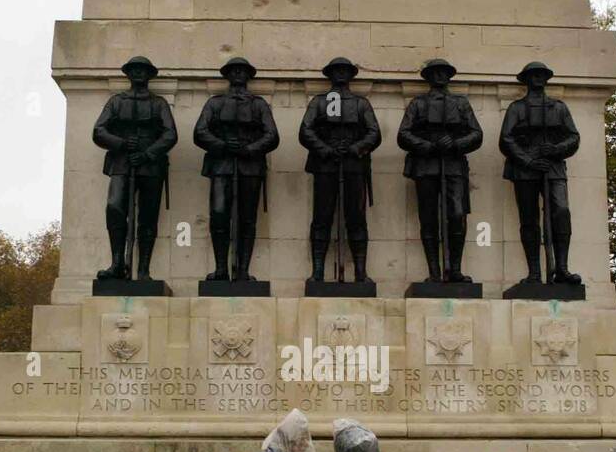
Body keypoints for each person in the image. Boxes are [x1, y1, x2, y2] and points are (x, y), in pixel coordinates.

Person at [92, 55, 177, 281]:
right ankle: (118, 263)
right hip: (121, 162)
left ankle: (143, 270)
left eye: (143, 70)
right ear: (128, 73)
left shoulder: (159, 103)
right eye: (135, 69)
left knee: (148, 218)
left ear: (150, 74)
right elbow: (99, 131)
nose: (139, 73)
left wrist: (148, 153)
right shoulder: (116, 101)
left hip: (151, 165)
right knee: (115, 208)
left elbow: (170, 134)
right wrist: (121, 143)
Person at [193, 56, 279, 282]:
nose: (239, 74)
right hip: (221, 165)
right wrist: (222, 145)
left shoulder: (259, 104)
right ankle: (221, 268)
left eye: (243, 71)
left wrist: (250, 149)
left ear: (249, 75)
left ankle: (242, 270)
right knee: (219, 216)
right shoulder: (215, 103)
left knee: (247, 219)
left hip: (250, 166)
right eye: (234, 70)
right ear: (227, 75)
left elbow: (271, 135)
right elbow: (200, 132)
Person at [397, 58, 483, 283]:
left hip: (453, 165)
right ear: (427, 77)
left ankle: (454, 269)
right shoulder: (418, 103)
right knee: (428, 218)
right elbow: (403, 134)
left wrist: (455, 143)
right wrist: (425, 145)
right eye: (435, 73)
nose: (439, 76)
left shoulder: (461, 103)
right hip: (425, 165)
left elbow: (476, 134)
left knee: (456, 215)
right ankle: (434, 272)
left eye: (443, 72)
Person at [298, 56, 381, 283]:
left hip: (354, 165)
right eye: (337, 70)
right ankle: (317, 272)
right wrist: (325, 149)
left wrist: (355, 148)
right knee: (322, 217)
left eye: (345, 70)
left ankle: (360, 272)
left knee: (356, 217)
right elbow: (306, 131)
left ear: (351, 74)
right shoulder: (319, 101)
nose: (341, 74)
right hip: (325, 165)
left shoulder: (361, 103)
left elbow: (374, 133)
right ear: (330, 74)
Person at [498, 61, 581, 285]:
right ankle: (535, 272)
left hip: (553, 167)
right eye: (533, 75)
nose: (537, 79)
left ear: (546, 78)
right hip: (525, 169)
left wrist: (556, 149)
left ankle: (561, 268)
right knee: (529, 219)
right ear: (525, 79)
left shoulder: (559, 107)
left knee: (561, 212)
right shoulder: (516, 108)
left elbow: (573, 137)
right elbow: (506, 139)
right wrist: (528, 160)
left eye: (541, 75)